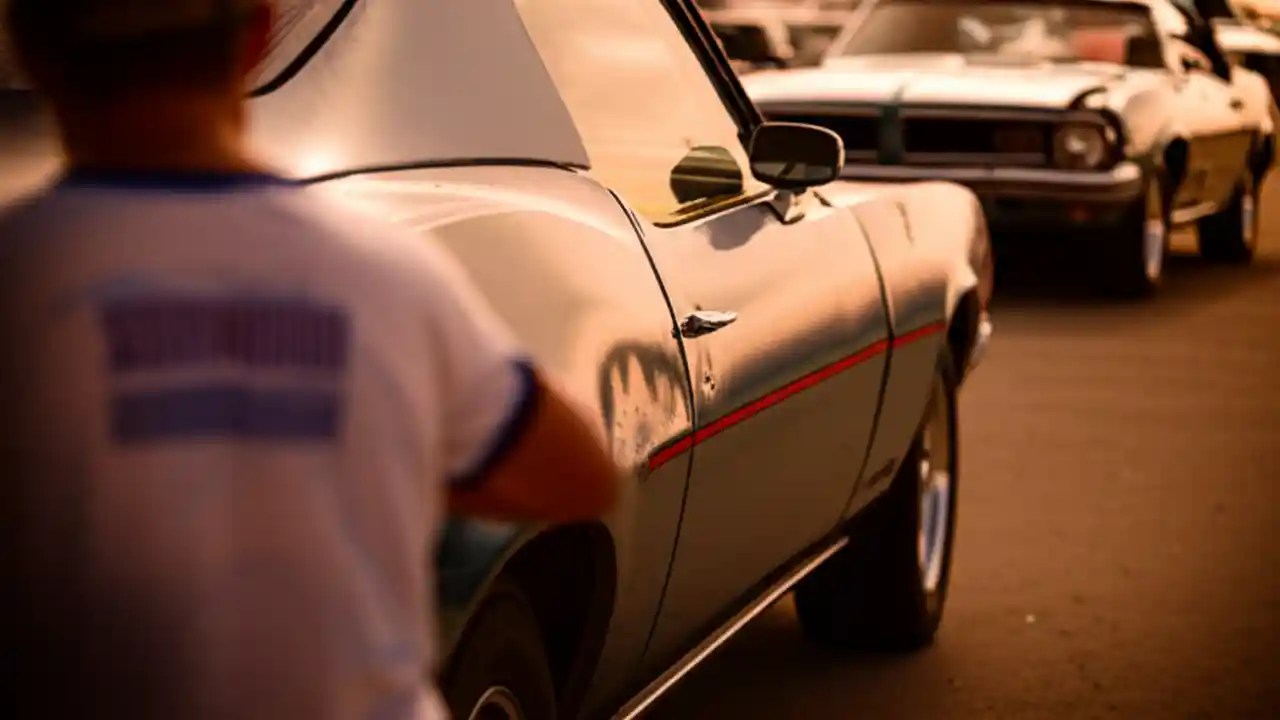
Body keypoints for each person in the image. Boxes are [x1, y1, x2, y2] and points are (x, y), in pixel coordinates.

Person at [0, 0, 619, 718]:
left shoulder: (19, 277)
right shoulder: (384, 274)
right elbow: (578, 475)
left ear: (29, 49)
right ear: (260, 34)